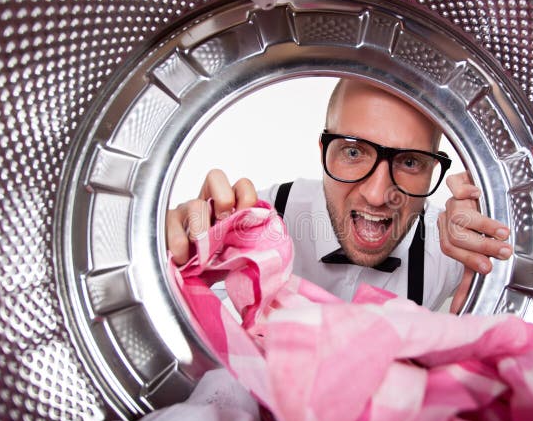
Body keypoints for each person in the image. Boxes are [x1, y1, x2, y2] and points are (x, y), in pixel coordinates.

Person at [167, 78, 513, 313]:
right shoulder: (252, 223)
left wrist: (500, 232)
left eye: (410, 162)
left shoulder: (451, 248)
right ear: (323, 152)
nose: (378, 195)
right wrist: (169, 252)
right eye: (353, 152)